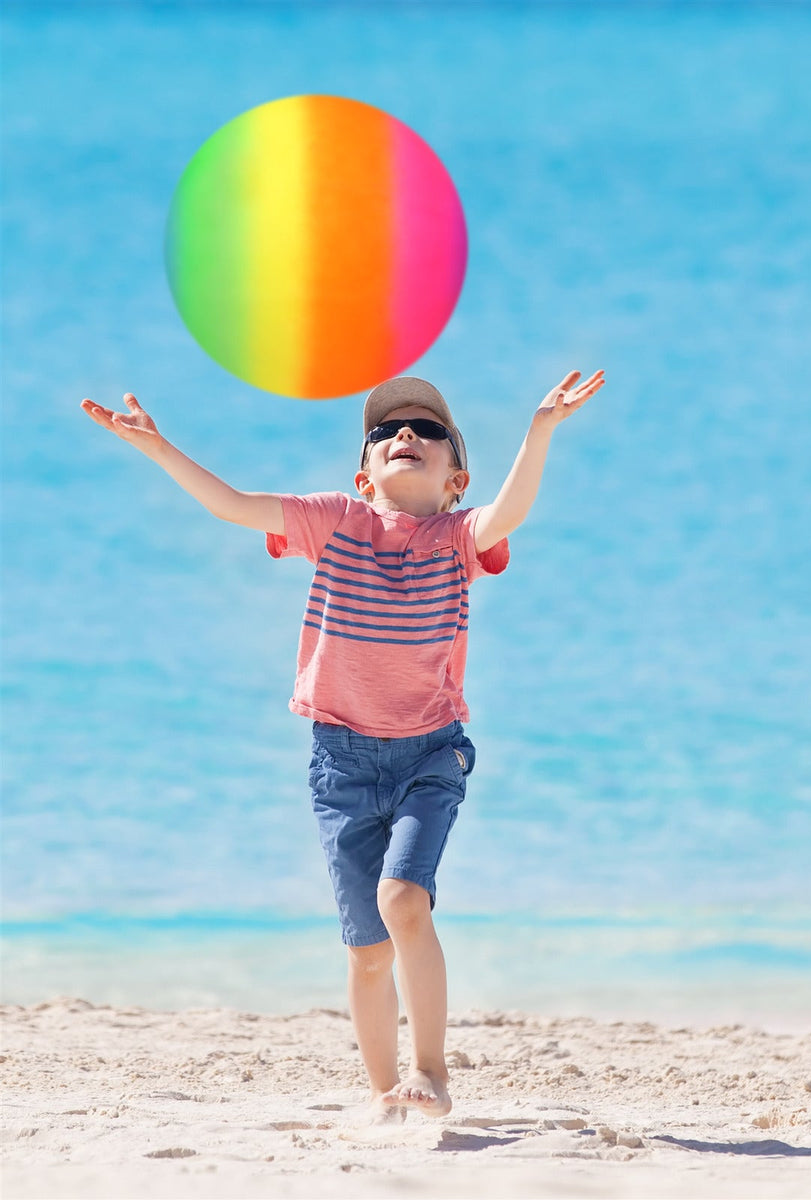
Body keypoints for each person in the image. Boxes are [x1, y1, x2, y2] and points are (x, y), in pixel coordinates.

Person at [80, 368, 605, 1120]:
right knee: (365, 952)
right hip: (341, 763)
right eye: (389, 431)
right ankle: (385, 1092)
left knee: (403, 901)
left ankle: (432, 1072)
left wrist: (541, 429)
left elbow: (513, 507)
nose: (406, 436)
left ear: (456, 479)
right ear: (363, 475)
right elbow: (232, 505)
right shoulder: (334, 521)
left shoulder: (459, 537)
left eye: (429, 432)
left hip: (430, 754)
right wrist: (159, 449)